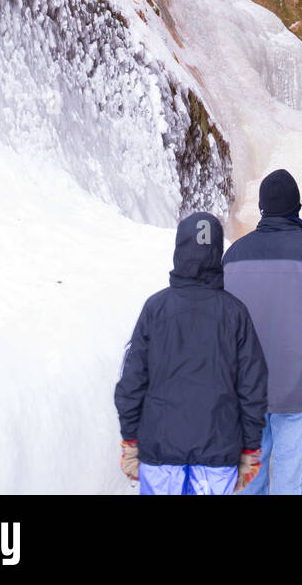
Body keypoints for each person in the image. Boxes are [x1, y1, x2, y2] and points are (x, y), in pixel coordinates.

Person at [114, 212, 267, 496]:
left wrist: (130, 440)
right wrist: (250, 447)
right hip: (218, 452)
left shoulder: (155, 309)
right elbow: (253, 388)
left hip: (160, 449)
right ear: (218, 252)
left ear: (179, 249)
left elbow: (132, 381)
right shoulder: (235, 313)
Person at [223, 169, 302, 495]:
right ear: (297, 207)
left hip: (244, 391)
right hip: (298, 390)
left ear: (263, 207)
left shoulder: (232, 255)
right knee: (292, 480)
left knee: (250, 480)